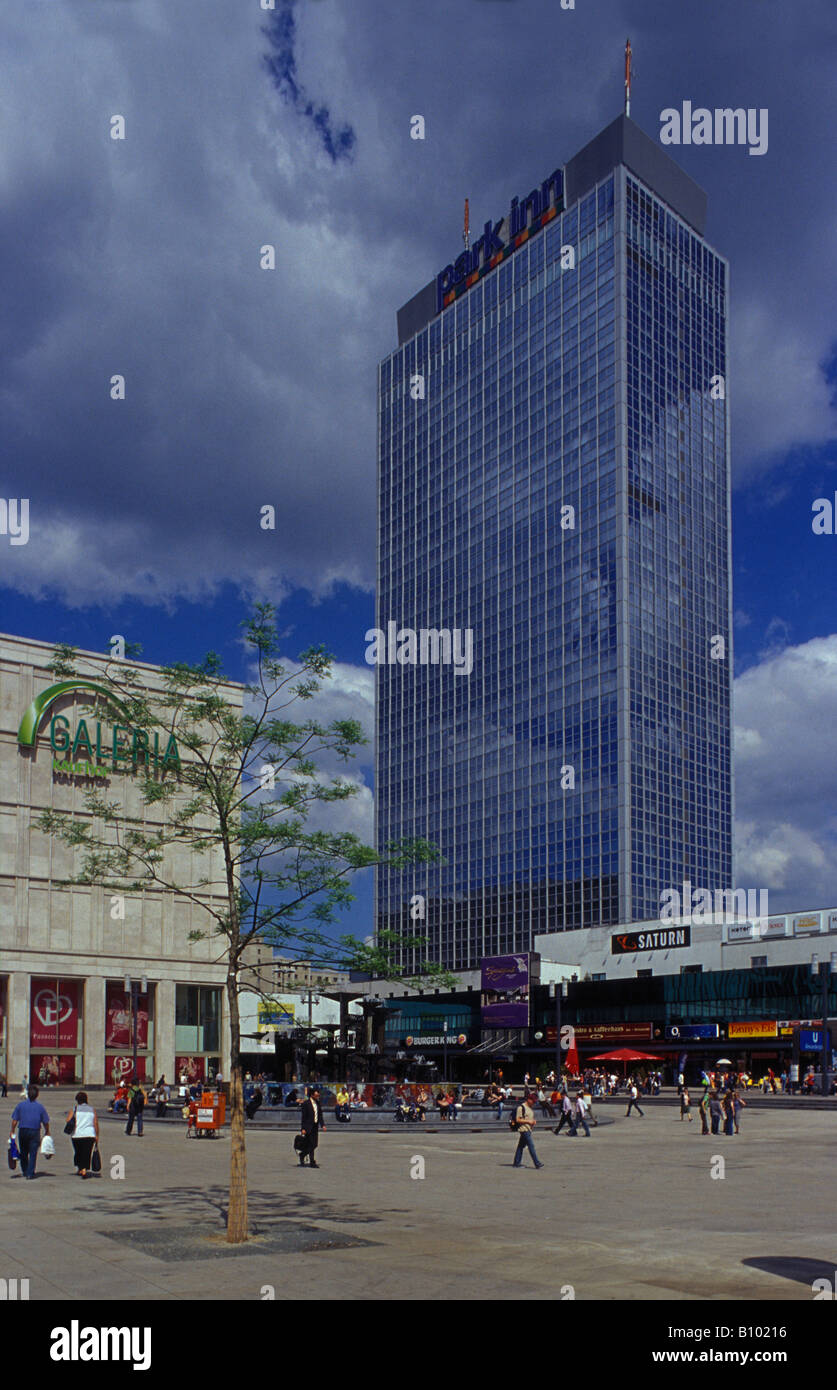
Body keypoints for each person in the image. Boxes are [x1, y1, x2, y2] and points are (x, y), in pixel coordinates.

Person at [9, 1085, 50, 1180]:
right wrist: (47, 1131)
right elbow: (45, 1121)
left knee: (23, 1152)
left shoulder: (20, 1105)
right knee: (33, 1153)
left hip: (23, 1130)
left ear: (27, 1094)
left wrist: (12, 1131)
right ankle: (30, 1173)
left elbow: (14, 1120)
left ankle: (25, 1170)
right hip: (34, 1131)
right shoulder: (40, 1107)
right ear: (37, 1095)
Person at [67, 1091, 99, 1179]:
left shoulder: (74, 1109)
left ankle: (81, 1168)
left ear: (77, 1100)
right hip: (89, 1134)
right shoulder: (92, 1110)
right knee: (87, 1153)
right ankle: (84, 1169)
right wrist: (97, 1135)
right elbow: (95, 1123)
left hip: (76, 1135)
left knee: (78, 1152)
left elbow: (68, 1120)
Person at [512, 1094, 544, 1169]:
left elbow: (529, 1118)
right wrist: (529, 1122)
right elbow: (518, 1120)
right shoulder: (521, 1107)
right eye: (533, 1101)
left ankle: (516, 1163)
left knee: (520, 1146)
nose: (534, 1103)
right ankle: (537, 1163)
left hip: (528, 1129)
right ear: (529, 1099)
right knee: (531, 1146)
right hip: (524, 1129)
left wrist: (532, 1121)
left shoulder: (530, 1108)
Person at [298, 1086, 326, 1168]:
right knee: (310, 1144)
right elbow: (303, 1117)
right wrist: (302, 1128)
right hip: (308, 1126)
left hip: (315, 1126)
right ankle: (312, 1162)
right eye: (316, 1095)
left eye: (318, 1095)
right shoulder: (306, 1104)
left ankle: (302, 1154)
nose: (318, 1096)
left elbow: (320, 1115)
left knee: (314, 1144)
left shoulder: (318, 1103)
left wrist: (323, 1125)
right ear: (312, 1095)